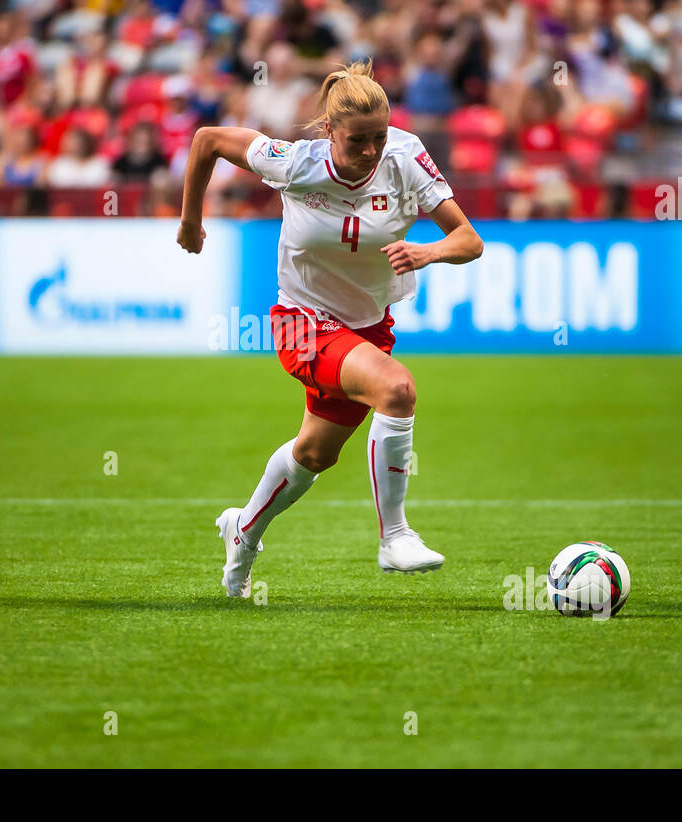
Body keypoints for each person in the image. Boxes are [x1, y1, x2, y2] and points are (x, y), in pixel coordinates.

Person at [177, 60, 483, 596]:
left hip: (368, 325)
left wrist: (428, 251)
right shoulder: (294, 162)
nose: (370, 151)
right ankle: (395, 536)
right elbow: (206, 140)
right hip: (301, 321)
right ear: (329, 132)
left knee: (315, 454)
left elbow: (469, 240)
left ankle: (242, 530)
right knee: (397, 388)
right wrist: (190, 219)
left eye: (378, 137)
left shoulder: (406, 157)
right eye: (357, 141)